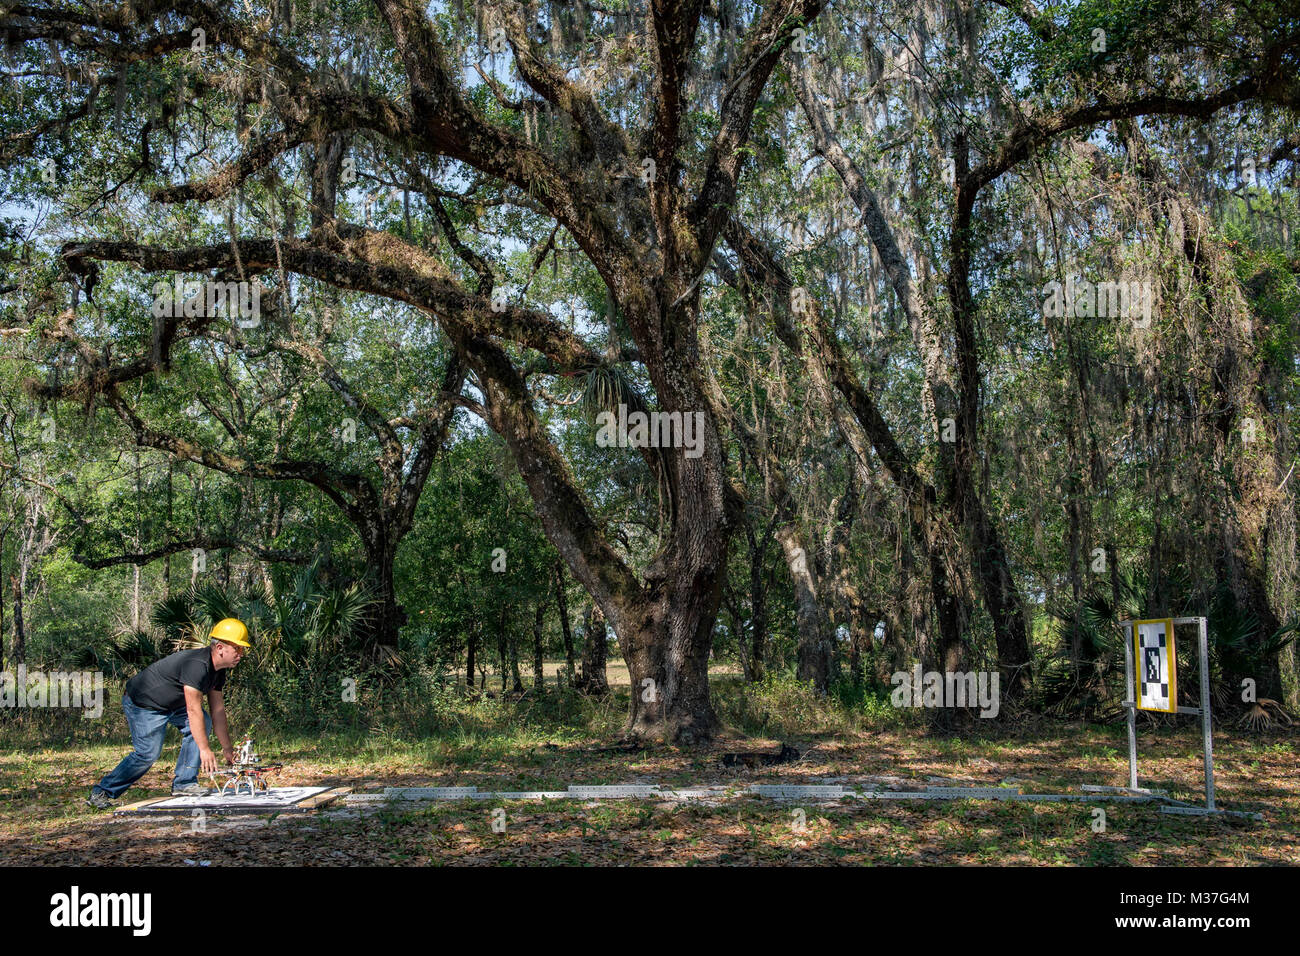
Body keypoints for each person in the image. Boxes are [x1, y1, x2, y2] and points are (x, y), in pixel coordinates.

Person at [85, 618, 250, 809]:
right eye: (237, 648)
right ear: (220, 647)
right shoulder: (197, 665)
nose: (241, 654)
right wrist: (204, 749)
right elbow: (193, 709)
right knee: (147, 753)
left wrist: (227, 748)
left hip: (173, 704)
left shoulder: (218, 671)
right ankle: (102, 792)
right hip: (144, 703)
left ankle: (185, 783)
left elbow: (218, 711)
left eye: (242, 649)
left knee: (203, 721)